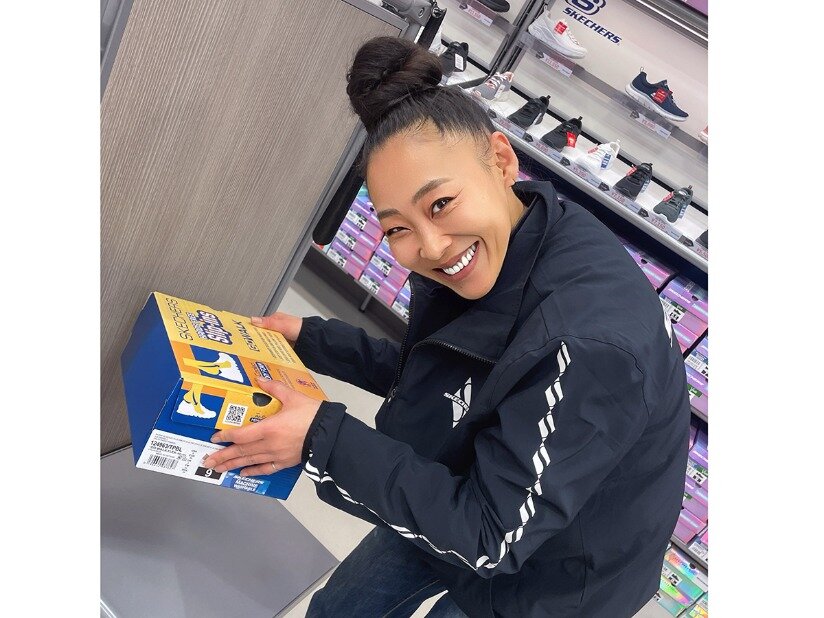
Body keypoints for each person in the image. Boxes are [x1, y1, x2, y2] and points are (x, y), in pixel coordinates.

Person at [203, 36, 691, 617]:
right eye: (396, 228)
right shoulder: (516, 234)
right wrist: (312, 341)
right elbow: (452, 373)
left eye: (440, 204)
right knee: (338, 610)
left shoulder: (587, 342)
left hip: (553, 573)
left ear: (502, 161)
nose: (431, 247)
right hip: (463, 484)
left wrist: (320, 439)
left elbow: (490, 539)